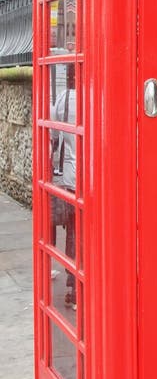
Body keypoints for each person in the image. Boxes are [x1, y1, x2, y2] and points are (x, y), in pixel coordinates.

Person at [51, 70, 77, 309]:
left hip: (70, 179)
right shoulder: (93, 96)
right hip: (93, 179)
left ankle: (73, 283)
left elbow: (53, 135)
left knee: (73, 232)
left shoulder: (63, 100)